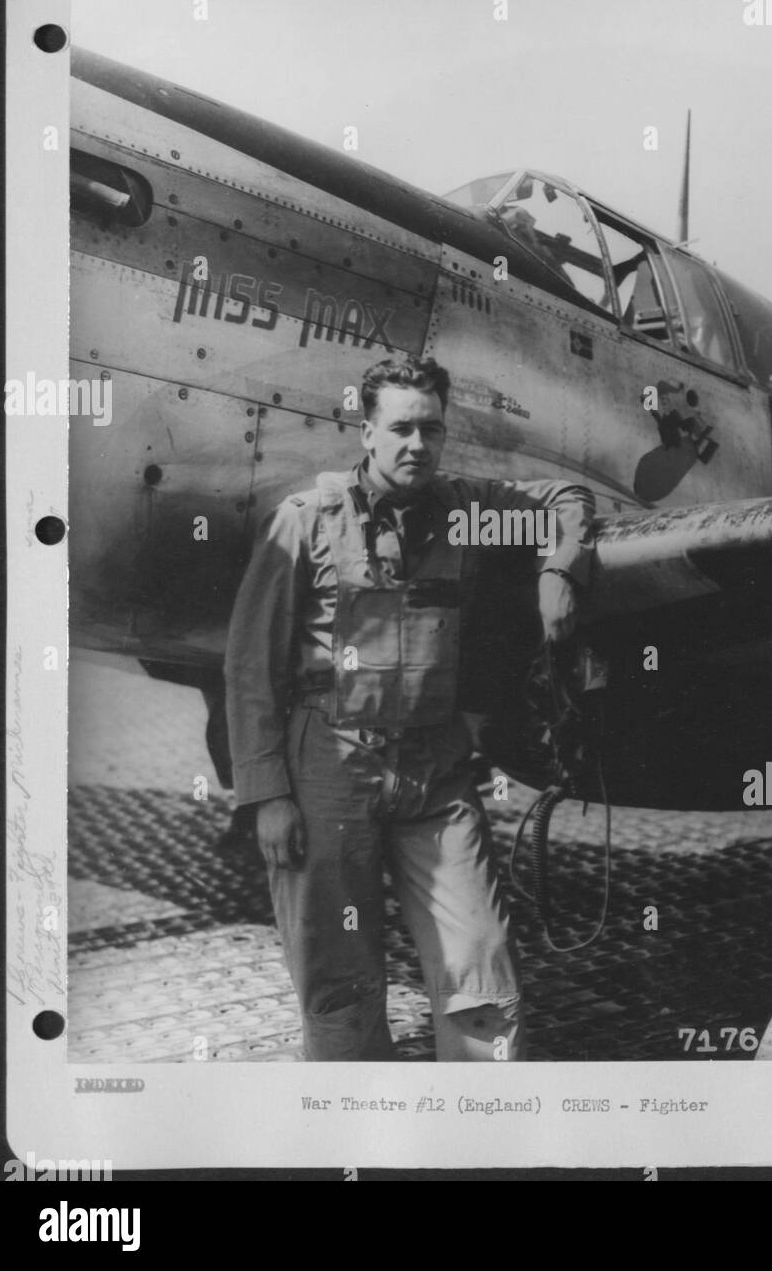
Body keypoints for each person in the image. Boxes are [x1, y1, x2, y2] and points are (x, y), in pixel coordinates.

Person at [224, 356, 595, 1061]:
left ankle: (475, 1142)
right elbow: (250, 664)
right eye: (400, 429)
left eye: (431, 430)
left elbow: (567, 497)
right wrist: (267, 793)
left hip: (436, 774)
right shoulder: (305, 522)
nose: (417, 445)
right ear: (367, 432)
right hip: (329, 769)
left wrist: (558, 567)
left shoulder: (469, 513)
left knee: (482, 971)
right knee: (340, 991)